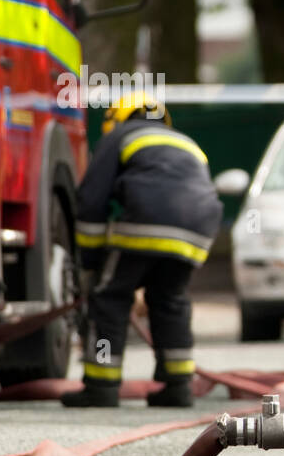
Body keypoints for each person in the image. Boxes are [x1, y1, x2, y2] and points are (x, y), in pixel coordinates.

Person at [64, 92, 223, 407]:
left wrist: (91, 263)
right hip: (198, 228)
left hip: (148, 218)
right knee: (169, 299)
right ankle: (178, 386)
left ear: (118, 117)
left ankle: (101, 384)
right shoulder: (186, 142)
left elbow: (91, 200)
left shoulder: (121, 135)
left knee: (110, 297)